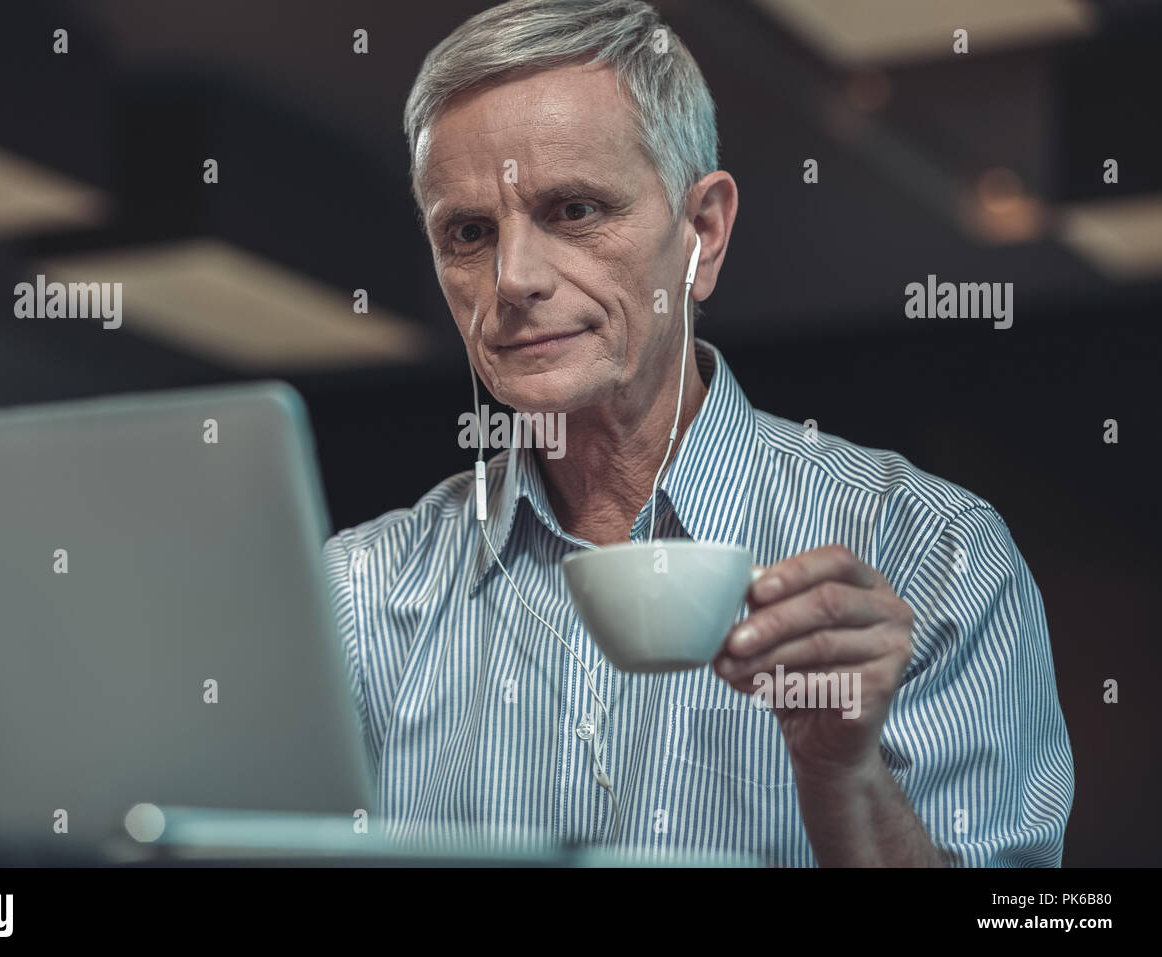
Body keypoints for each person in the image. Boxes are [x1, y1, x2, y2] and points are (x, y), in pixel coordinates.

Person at [323, 0, 1074, 865]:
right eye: (468, 232)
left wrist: (847, 780)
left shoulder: (935, 554)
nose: (515, 278)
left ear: (702, 234)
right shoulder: (356, 596)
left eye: (573, 211)